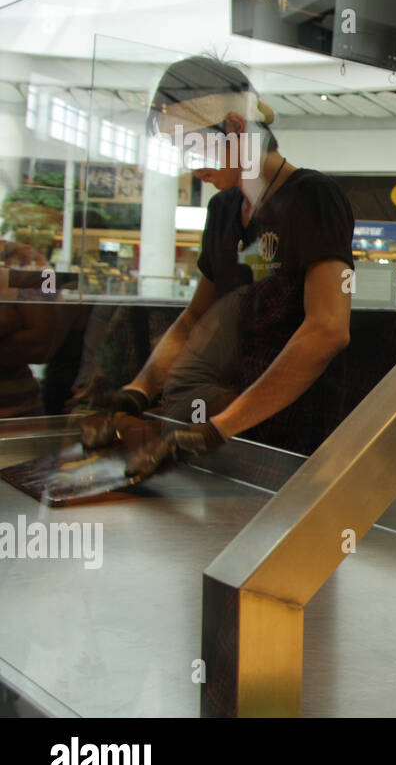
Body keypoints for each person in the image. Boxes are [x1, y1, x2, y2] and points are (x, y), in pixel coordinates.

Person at [80, 56, 355, 478]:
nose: (192, 166)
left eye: (192, 147)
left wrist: (218, 429)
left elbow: (327, 329)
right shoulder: (224, 209)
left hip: (294, 438)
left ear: (235, 128)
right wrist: (138, 390)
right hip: (227, 428)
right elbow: (195, 319)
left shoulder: (313, 197)